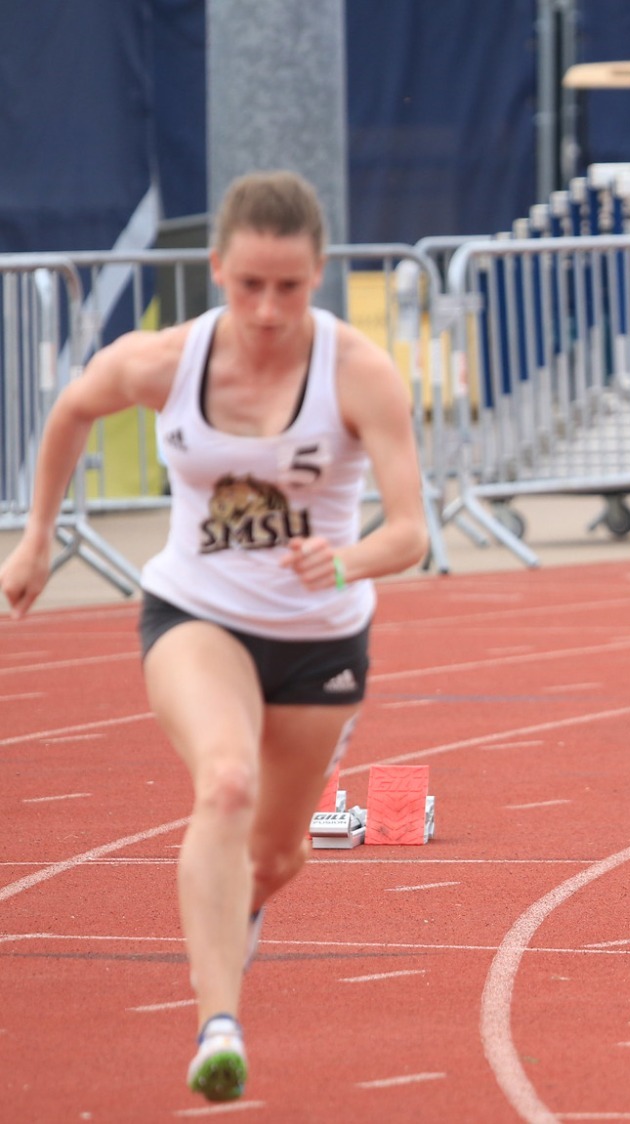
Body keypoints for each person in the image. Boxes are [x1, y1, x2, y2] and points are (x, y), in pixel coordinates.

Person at [0, 171, 428, 1099]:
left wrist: (345, 560)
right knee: (224, 783)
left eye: (289, 286)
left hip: (320, 638)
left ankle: (232, 913)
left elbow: (412, 531)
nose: (268, 309)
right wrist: (37, 538)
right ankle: (217, 1024)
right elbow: (73, 408)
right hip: (197, 614)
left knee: (277, 856)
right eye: (248, 286)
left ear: (319, 273)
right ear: (217, 269)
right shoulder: (165, 360)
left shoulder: (359, 373)